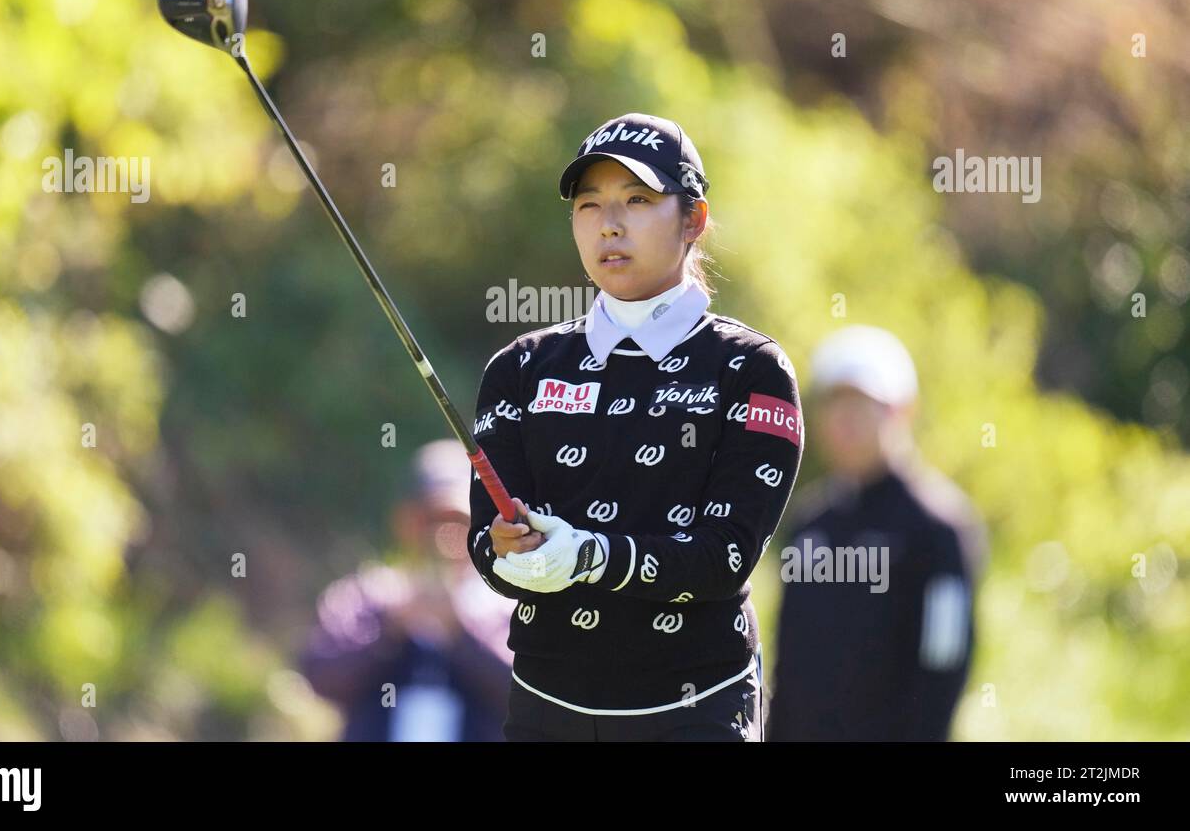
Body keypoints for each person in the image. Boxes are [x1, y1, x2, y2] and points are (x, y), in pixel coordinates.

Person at [465, 113, 803, 741]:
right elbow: (484, 548)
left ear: (694, 219)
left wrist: (593, 556)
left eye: (639, 201)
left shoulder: (751, 370)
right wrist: (509, 552)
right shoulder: (521, 368)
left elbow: (722, 556)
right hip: (547, 704)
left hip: (694, 706)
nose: (610, 224)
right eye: (590, 205)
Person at [765, 325, 989, 741]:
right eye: (835, 404)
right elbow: (788, 655)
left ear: (901, 411)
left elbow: (944, 662)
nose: (845, 421)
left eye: (861, 405)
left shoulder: (938, 527)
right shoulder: (809, 522)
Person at [300, 439, 515, 741]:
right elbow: (321, 676)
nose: (443, 535)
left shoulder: (504, 603)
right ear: (405, 520)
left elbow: (527, 692)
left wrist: (461, 632)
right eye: (432, 520)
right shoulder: (367, 596)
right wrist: (391, 628)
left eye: (456, 520)